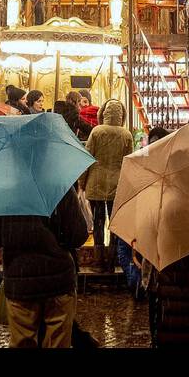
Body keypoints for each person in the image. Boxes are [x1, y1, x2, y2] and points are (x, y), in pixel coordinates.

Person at [0, 184, 88, 348]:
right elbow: (78, 235)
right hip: (58, 281)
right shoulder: (59, 185)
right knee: (58, 342)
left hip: (20, 283)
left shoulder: (0, 190)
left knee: (22, 343)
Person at [83, 98, 133, 272]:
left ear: (103, 113)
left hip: (95, 182)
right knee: (114, 223)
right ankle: (112, 260)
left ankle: (98, 261)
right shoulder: (126, 135)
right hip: (117, 185)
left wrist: (82, 183)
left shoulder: (96, 132)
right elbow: (129, 162)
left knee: (98, 222)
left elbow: (87, 158)